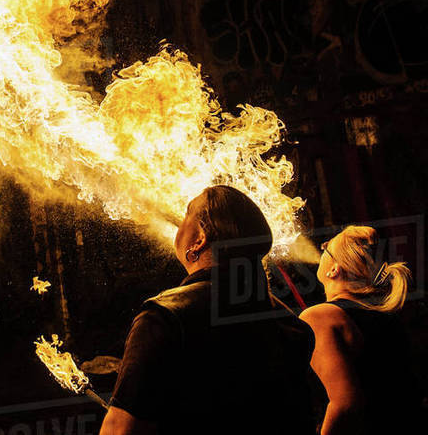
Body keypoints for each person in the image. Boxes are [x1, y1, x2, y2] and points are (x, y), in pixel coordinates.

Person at [100, 185, 317, 434]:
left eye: (187, 213)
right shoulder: (290, 326)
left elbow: (120, 430)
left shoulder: (164, 316)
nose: (179, 221)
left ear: (200, 239)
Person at [300, 226, 428, 435]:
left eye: (326, 248)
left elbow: (346, 405)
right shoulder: (383, 314)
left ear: (334, 269)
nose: (322, 249)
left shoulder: (320, 317)